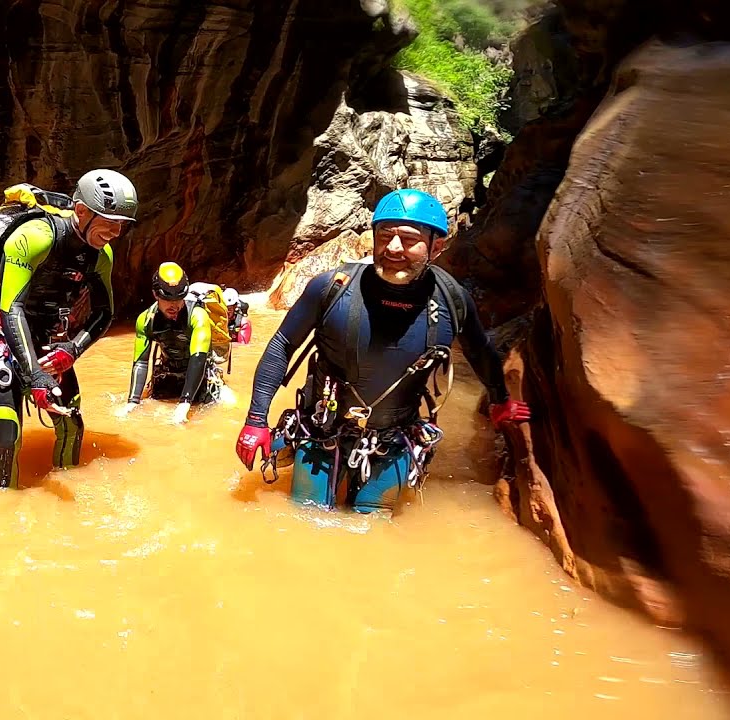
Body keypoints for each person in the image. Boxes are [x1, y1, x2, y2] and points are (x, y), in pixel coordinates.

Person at [233, 188, 530, 514]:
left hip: (394, 438)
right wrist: (256, 421)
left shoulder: (452, 300)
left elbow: (481, 352)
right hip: (321, 432)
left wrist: (500, 401)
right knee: (306, 520)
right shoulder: (331, 288)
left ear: (437, 246)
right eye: (384, 235)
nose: (393, 247)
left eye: (409, 238)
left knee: (370, 525)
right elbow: (282, 345)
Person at [0, 169, 137, 488]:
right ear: (81, 211)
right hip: (6, 340)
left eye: (121, 224)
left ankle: (70, 507)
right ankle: (2, 506)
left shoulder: (101, 255)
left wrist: (73, 350)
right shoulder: (35, 237)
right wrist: (34, 375)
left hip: (53, 342)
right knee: (8, 433)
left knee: (71, 427)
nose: (116, 231)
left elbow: (105, 312)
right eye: (109, 221)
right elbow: (12, 308)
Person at [116, 262, 218, 424]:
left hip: (200, 380)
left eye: (179, 299)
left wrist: (184, 405)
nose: (174, 305)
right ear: (155, 295)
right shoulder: (145, 320)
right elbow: (141, 362)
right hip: (168, 376)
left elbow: (198, 358)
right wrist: (132, 402)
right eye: (167, 299)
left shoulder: (197, 316)